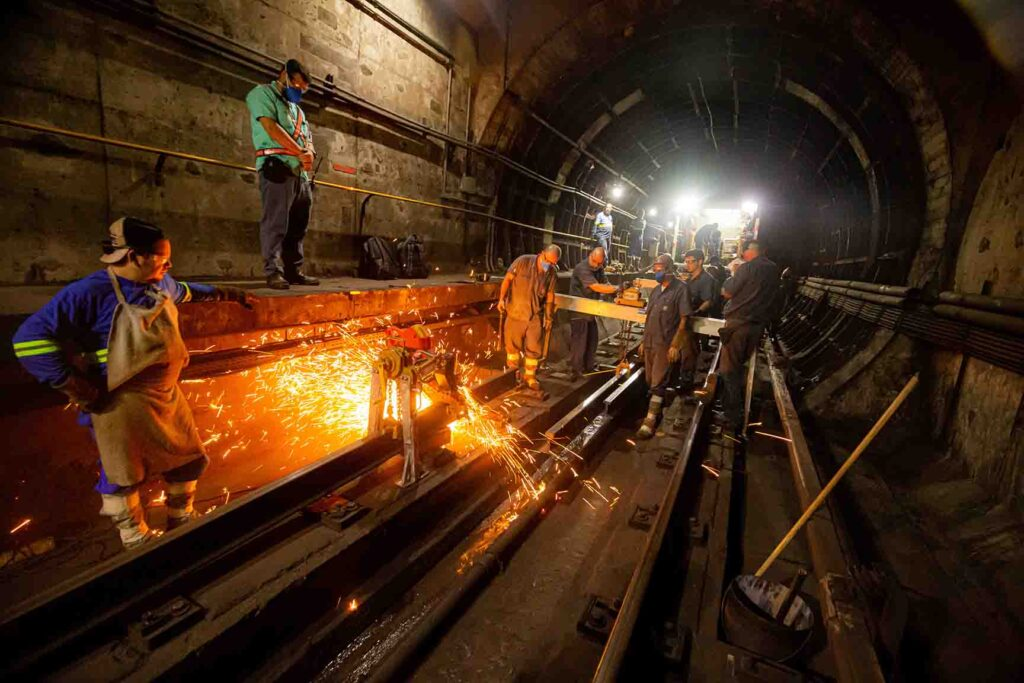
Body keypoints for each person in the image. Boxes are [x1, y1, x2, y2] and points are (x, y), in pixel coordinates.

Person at [12, 218, 255, 549]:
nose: (168, 264)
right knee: (123, 475)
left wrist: (228, 293)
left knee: (189, 458)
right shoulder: (89, 292)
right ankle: (135, 537)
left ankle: (180, 519)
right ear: (136, 256)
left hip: (165, 395)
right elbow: (28, 340)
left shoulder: (159, 284)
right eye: (161, 257)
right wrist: (72, 384)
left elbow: (185, 291)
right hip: (119, 401)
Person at [246, 59, 321, 290]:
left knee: (298, 226)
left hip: (301, 176)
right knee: (276, 223)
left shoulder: (298, 111)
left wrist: (309, 153)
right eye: (296, 86)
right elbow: (271, 127)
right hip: (277, 168)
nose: (298, 91)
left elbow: (308, 139)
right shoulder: (262, 94)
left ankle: (293, 270)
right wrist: (299, 152)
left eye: (303, 89)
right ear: (284, 75)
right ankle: (273, 271)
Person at [719, 240, 779, 435]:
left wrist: (733, 273)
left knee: (728, 370)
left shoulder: (746, 268)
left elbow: (727, 292)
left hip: (738, 325)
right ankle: (737, 411)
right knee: (739, 367)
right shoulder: (773, 269)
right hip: (756, 326)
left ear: (747, 252)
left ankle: (732, 417)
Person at [637, 254, 694, 439]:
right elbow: (649, 317)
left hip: (664, 344)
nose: (656, 271)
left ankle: (650, 421)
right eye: (655, 268)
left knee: (657, 383)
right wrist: (643, 341)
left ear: (669, 269)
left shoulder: (681, 290)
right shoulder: (655, 290)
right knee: (649, 379)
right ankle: (656, 409)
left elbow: (684, 319)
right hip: (650, 343)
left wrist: (676, 345)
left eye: (659, 268)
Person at [498, 244, 561, 396]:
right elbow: (507, 280)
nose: (550, 265)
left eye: (553, 263)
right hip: (515, 313)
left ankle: (530, 377)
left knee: (534, 348)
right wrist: (501, 299)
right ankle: (513, 376)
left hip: (535, 316)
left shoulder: (551, 272)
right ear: (542, 254)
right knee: (512, 348)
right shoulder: (523, 261)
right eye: (548, 261)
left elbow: (550, 296)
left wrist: (548, 315)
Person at [568, 247, 619, 379]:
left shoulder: (599, 268)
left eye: (600, 263)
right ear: (591, 256)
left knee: (592, 339)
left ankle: (589, 366)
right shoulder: (582, 268)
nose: (597, 266)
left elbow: (604, 283)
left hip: (590, 309)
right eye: (596, 263)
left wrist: (615, 293)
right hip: (579, 310)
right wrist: (617, 288)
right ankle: (576, 369)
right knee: (580, 341)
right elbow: (596, 286)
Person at [677, 249, 719, 389]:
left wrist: (696, 312)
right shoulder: (689, 279)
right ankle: (678, 377)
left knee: (689, 351)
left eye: (691, 262)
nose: (687, 265)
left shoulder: (707, 280)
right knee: (679, 348)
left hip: (693, 320)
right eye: (686, 262)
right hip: (683, 318)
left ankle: (686, 383)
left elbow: (708, 301)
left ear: (700, 261)